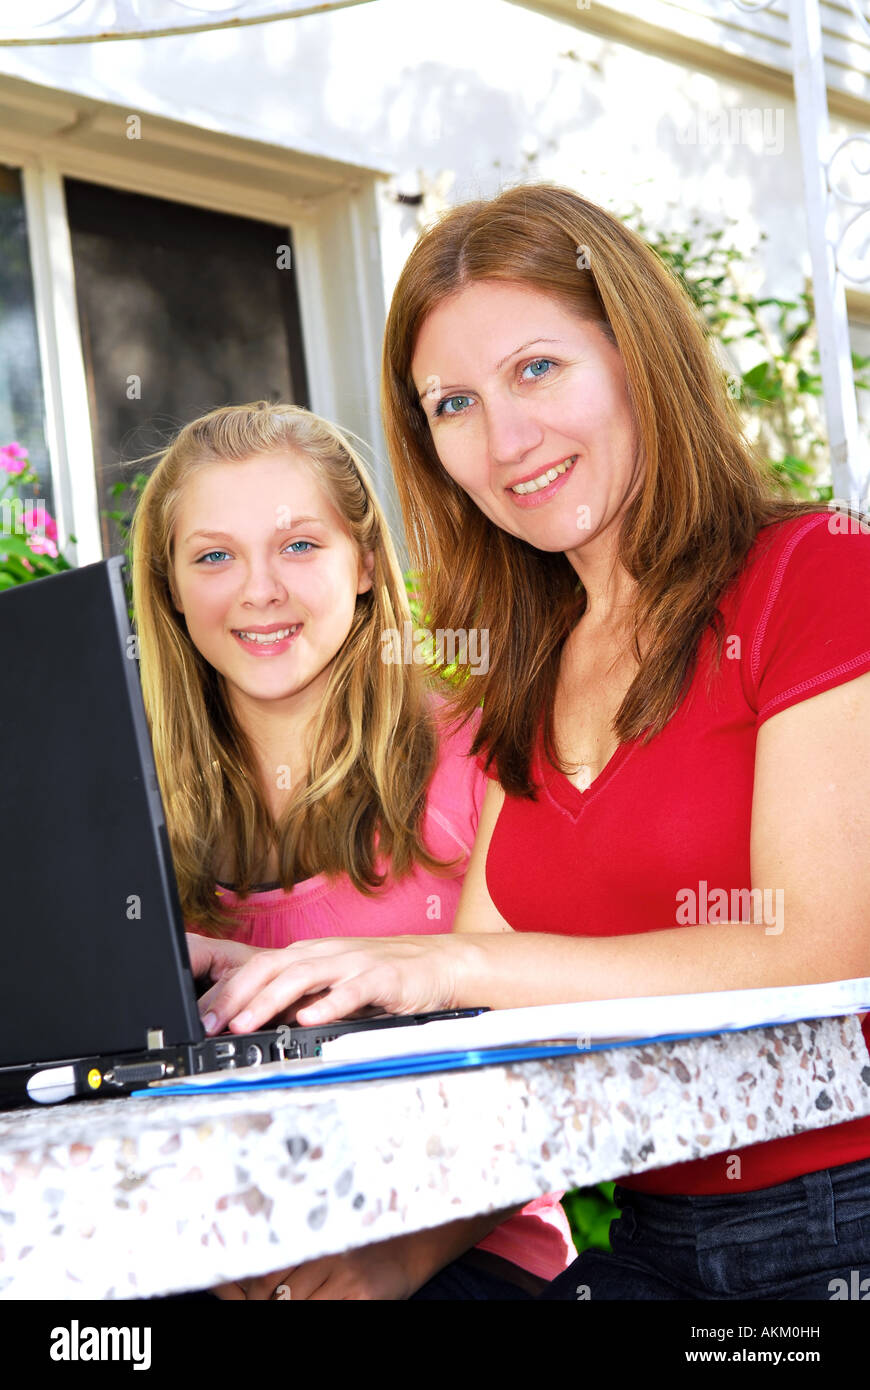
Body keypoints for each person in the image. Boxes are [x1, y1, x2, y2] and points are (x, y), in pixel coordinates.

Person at [189, 185, 870, 1301]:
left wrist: (446, 962)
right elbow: (490, 1024)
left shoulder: (818, 573)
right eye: (452, 403)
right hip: (646, 1240)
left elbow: (822, 952)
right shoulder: (532, 668)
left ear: (636, 354)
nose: (504, 440)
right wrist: (282, 989)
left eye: (538, 369)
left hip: (839, 1227)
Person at [127, 400, 575, 1300]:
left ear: (366, 562)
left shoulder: (488, 763)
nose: (259, 590)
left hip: (455, 1241)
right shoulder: (130, 802)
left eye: (300, 546)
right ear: (170, 587)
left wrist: (398, 1256)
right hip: (212, 1253)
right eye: (214, 556)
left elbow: (549, 1066)